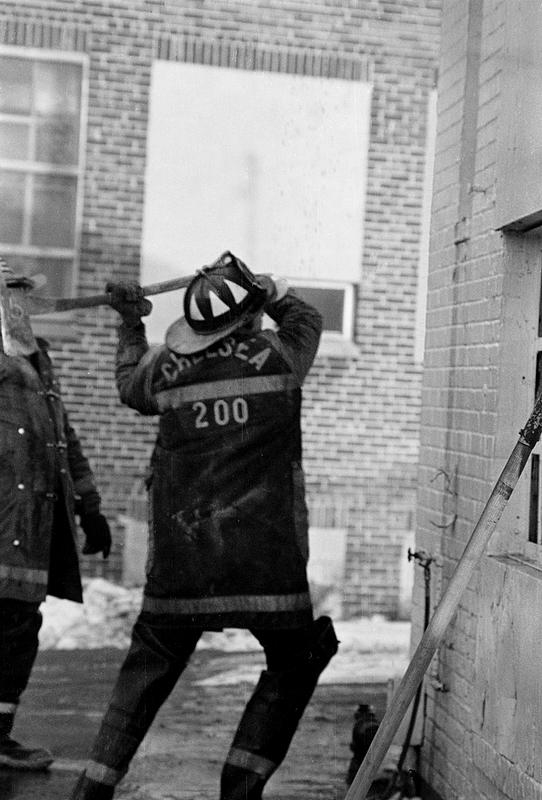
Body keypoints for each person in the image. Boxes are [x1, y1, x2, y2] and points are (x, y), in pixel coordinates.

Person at [71, 251, 338, 800]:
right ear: (251, 317)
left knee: (148, 668)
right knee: (296, 659)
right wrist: (271, 288)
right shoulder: (278, 355)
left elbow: (128, 385)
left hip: (182, 562)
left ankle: (91, 789)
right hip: (267, 562)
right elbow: (306, 319)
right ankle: (240, 789)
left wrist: (130, 322)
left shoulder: (166, 367)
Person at [0, 261, 112, 771]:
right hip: (5, 518)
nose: (25, 306)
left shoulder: (38, 359)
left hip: (31, 525)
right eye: (15, 295)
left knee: (18, 626)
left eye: (25, 294)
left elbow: (64, 438)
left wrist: (90, 508)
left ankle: (0, 733)